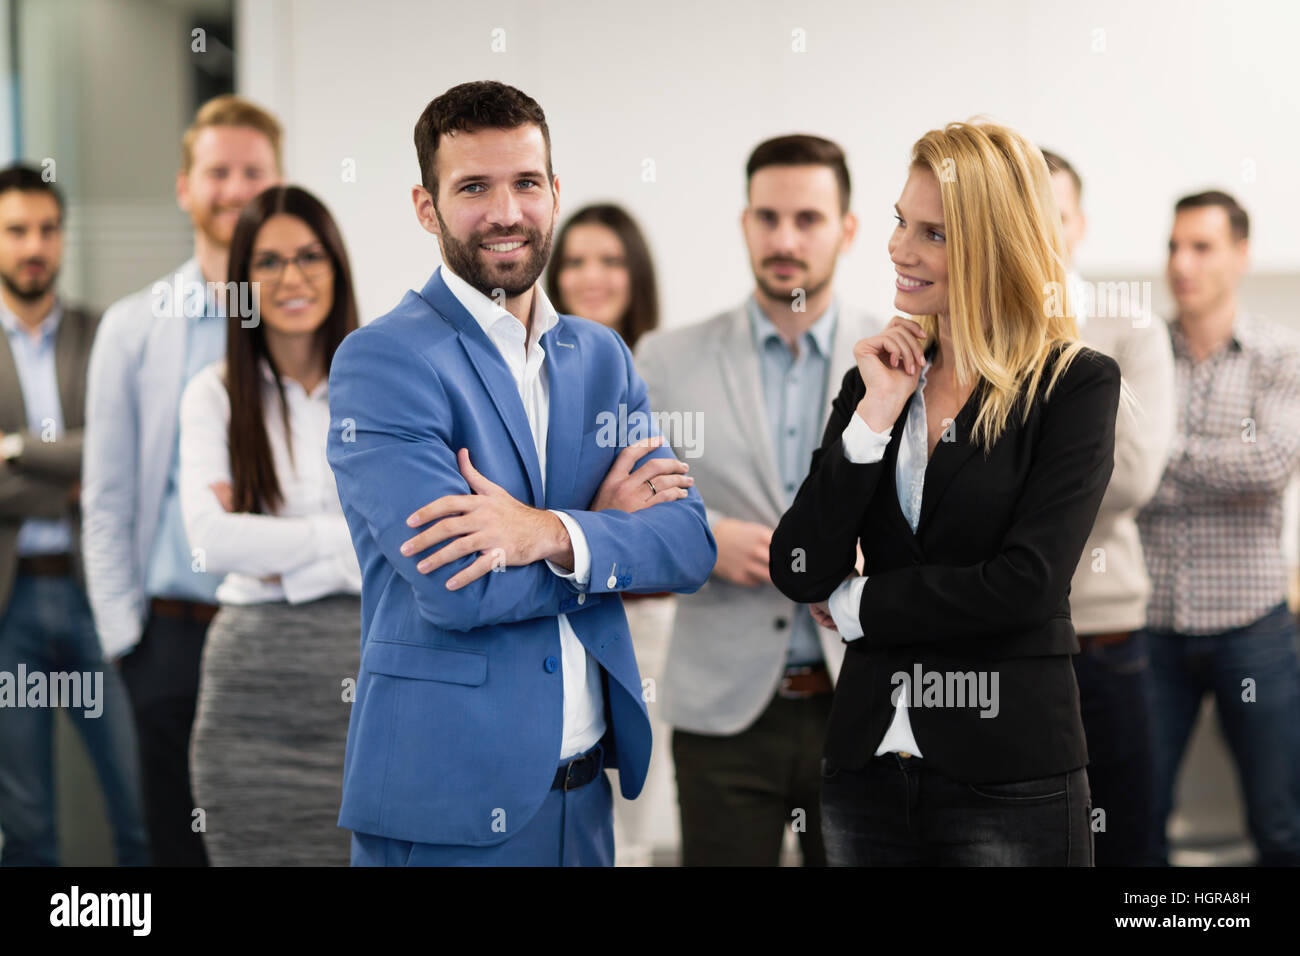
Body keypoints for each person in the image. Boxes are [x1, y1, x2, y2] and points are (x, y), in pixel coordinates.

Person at [327, 80, 716, 866]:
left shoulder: (600, 356)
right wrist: (602, 542)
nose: (506, 211)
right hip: (449, 804)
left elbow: (687, 545)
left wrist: (542, 533)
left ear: (554, 191)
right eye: (474, 186)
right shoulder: (384, 361)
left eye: (526, 183)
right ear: (426, 206)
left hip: (583, 800)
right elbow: (457, 585)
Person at [770, 119, 1121, 866]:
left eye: (932, 233)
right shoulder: (878, 381)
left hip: (1009, 774)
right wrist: (873, 416)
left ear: (994, 246)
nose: (899, 249)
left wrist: (861, 606)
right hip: (867, 768)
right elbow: (798, 565)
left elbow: (1025, 587)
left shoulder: (1073, 384)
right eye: (901, 221)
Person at [635, 134, 880, 866]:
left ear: (847, 229)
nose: (785, 239)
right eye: (767, 218)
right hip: (722, 712)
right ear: (745, 224)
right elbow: (625, 504)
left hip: (865, 701)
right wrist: (706, 536)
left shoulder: (907, 354)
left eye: (808, 219)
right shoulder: (666, 357)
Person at [82, 95, 283, 866]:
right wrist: (124, 642)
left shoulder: (305, 317)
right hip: (170, 637)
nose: (235, 189)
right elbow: (106, 498)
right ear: (184, 186)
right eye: (218, 172)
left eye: (253, 172)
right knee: (179, 848)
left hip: (278, 628)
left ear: (279, 182)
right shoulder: (133, 327)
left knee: (277, 837)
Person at [180, 185, 361, 866]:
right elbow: (213, 541)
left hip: (365, 683)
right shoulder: (215, 393)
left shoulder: (385, 390)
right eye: (270, 261)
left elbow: (409, 540)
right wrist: (346, 541)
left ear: (337, 269)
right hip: (248, 698)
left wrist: (274, 546)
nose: (292, 278)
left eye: (311, 256)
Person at [1136, 190, 1300, 866]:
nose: (1182, 263)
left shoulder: (1277, 354)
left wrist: (1160, 455)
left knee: (1279, 819)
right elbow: (1112, 473)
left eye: (1201, 247)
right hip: (1151, 627)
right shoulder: (1139, 354)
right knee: (1137, 818)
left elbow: (1272, 463)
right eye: (1174, 246)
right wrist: (1176, 463)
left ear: (1240, 255)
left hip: (1252, 627)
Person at [0, 165, 147, 866]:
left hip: (98, 592)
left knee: (142, 804)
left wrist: (13, 452)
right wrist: (74, 474)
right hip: (9, 603)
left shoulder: (104, 332)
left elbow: (121, 453)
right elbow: (93, 466)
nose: (35, 245)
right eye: (17, 230)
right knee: (26, 827)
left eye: (47, 229)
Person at [1043, 148, 1176, 866]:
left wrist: (1062, 333)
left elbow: (1130, 481)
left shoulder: (1129, 329)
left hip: (1102, 635)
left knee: (1125, 849)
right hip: (1001, 643)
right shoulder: (971, 333)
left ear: (1079, 224)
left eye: (1052, 217)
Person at [547, 203, 673, 865]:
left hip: (642, 620)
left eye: (610, 260)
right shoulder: (533, 375)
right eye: (575, 261)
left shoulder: (660, 366)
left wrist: (578, 522)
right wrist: (603, 514)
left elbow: (667, 522)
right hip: (550, 615)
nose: (591, 276)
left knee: (633, 818)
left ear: (636, 274)